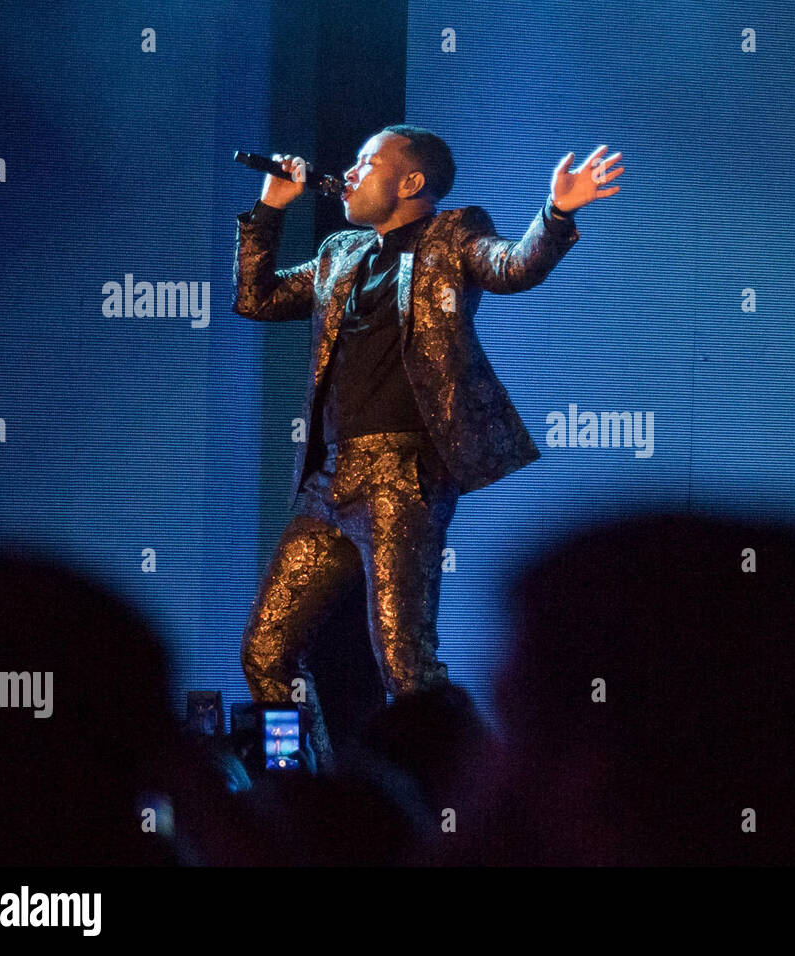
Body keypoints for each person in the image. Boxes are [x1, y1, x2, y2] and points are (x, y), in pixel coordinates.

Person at [233, 124, 623, 771]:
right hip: (329, 478)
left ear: (410, 182)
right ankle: (302, 784)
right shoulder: (340, 252)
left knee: (405, 664)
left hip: (403, 472)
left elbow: (512, 265)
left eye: (367, 162)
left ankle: (450, 797)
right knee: (266, 650)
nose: (351, 173)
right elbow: (259, 296)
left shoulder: (453, 234)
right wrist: (271, 207)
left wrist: (557, 212)